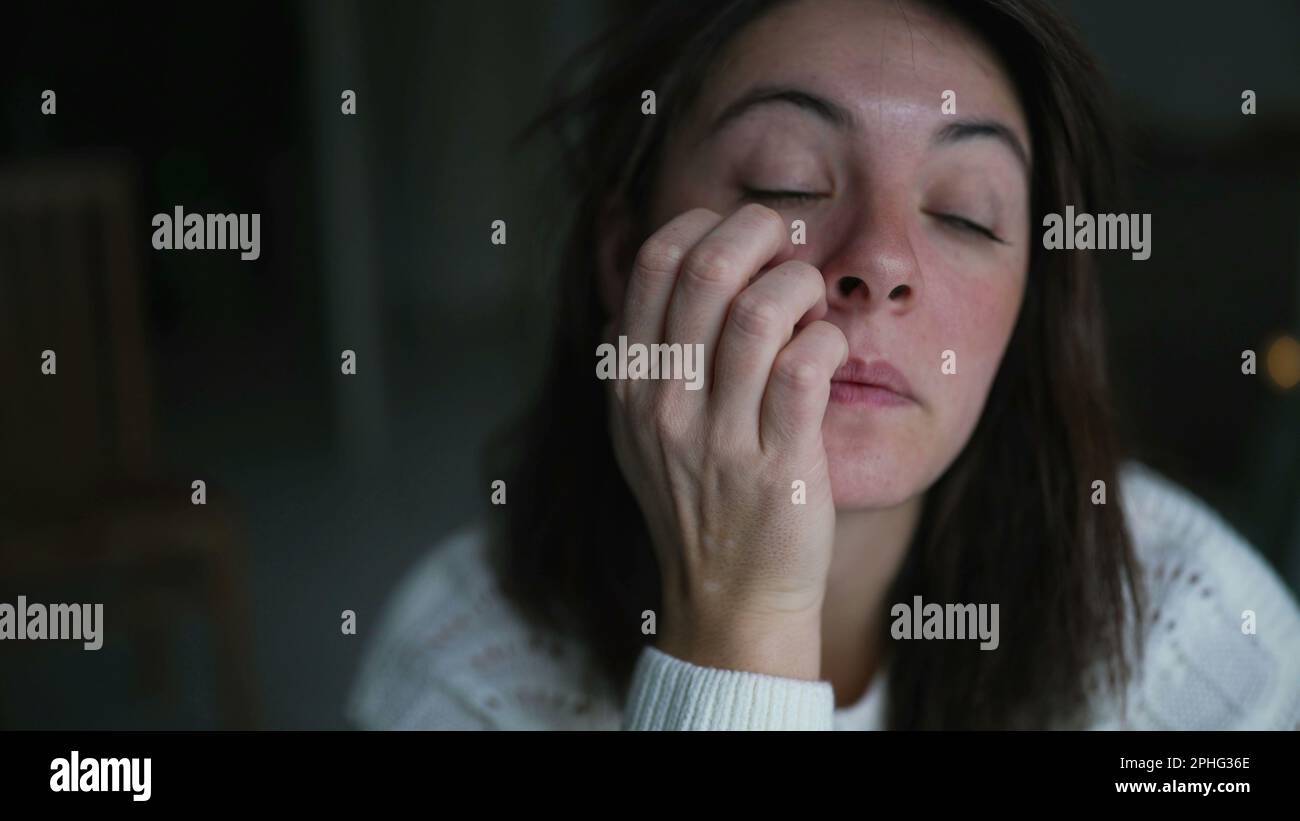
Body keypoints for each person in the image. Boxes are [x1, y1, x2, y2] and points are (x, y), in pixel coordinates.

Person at [348, 0, 1300, 730]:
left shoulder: (1196, 637)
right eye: (786, 183)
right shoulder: (462, 668)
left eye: (967, 213)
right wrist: (740, 622)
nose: (881, 262)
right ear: (622, 257)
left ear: (1027, 309)